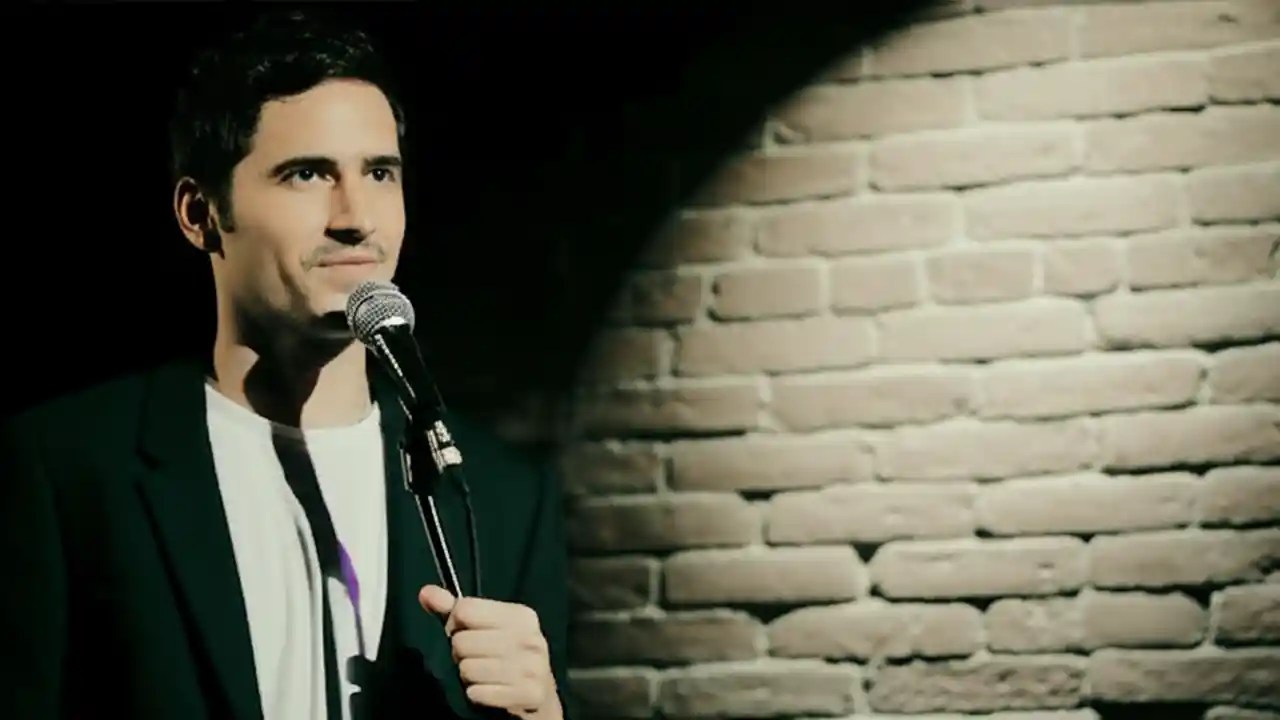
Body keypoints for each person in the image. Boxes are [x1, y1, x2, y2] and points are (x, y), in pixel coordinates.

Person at [0, 9, 572, 720]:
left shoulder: (496, 497)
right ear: (200, 212)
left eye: (380, 173)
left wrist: (544, 714)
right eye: (307, 174)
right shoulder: (69, 471)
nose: (355, 215)